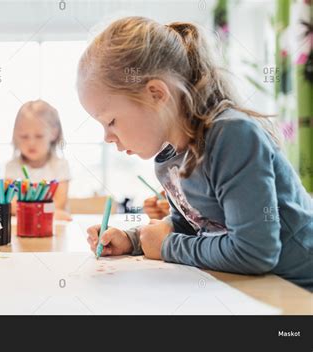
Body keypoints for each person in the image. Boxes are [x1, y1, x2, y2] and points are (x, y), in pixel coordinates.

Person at [78, 17, 313, 291]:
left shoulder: (233, 136)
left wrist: (166, 246)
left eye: (111, 121)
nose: (107, 137)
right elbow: (196, 229)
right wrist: (135, 240)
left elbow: (255, 252)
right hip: (251, 288)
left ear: (156, 93)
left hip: (298, 291)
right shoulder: (169, 160)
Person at [5, 100, 72, 220]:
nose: (31, 143)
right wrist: (46, 210)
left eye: (39, 136)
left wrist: (26, 209)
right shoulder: (12, 166)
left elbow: (59, 205)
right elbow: (10, 205)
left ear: (54, 133)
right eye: (24, 136)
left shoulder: (60, 166)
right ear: (15, 135)